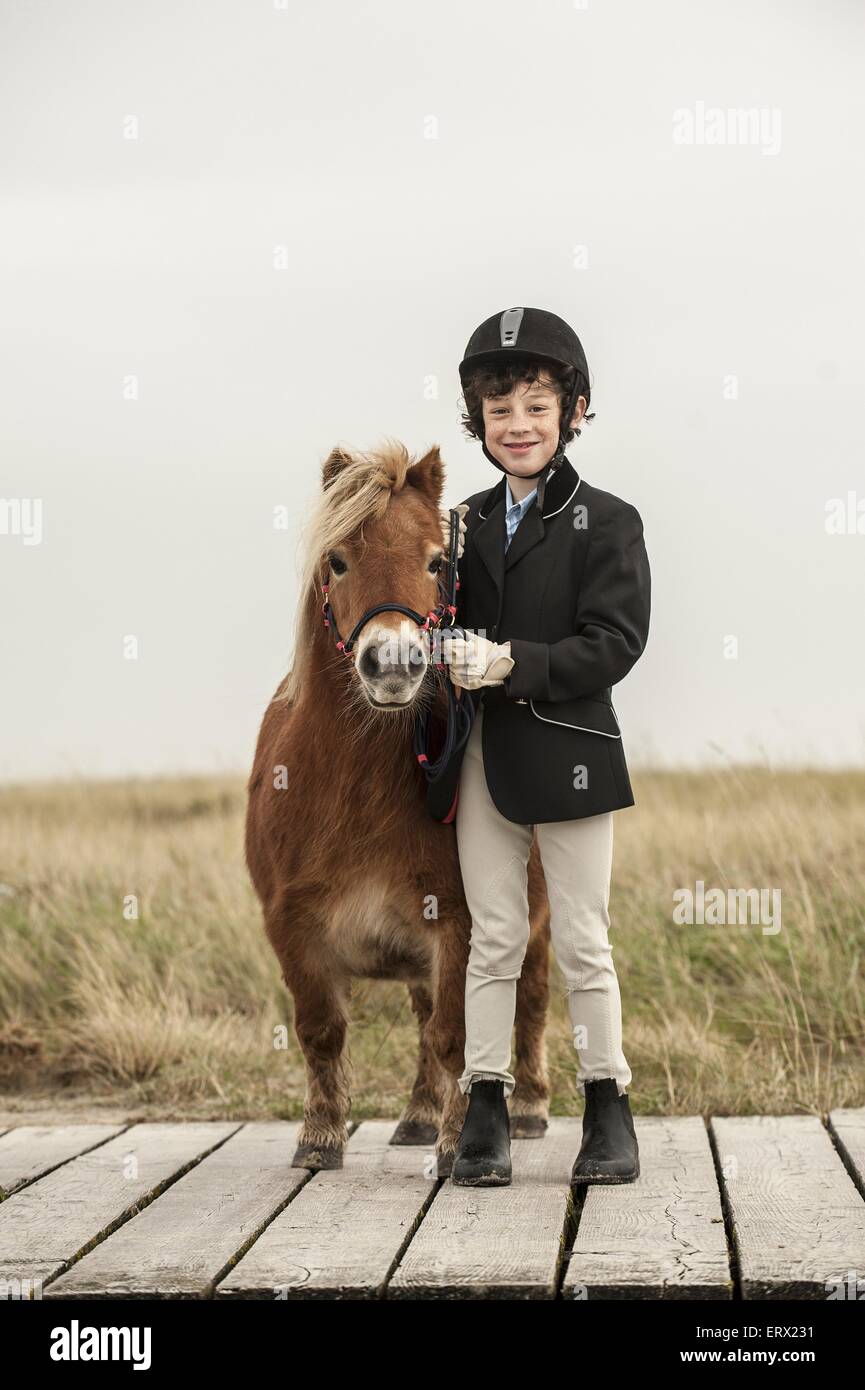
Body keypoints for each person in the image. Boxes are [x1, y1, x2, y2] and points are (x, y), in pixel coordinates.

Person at [440, 306, 651, 1188]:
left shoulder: (607, 520)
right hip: (480, 756)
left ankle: (607, 1106)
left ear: (574, 410)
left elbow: (615, 642)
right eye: (497, 413)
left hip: (569, 753)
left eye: (534, 406)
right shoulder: (456, 524)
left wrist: (509, 661)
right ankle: (481, 1105)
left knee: (581, 940)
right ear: (476, 424)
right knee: (492, 937)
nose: (516, 427)